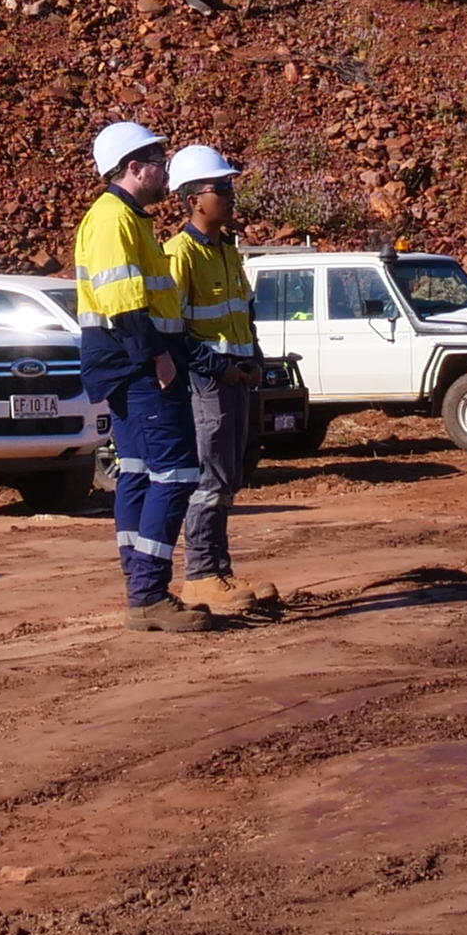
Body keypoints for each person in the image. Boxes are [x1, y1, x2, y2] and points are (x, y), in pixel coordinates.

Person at [68, 120, 206, 633]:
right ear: (134, 167)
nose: (165, 168)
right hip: (138, 364)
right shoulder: (112, 221)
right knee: (175, 473)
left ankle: (141, 587)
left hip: (131, 363)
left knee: (140, 471)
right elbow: (124, 303)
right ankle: (147, 594)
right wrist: (158, 358)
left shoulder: (126, 218)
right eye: (158, 158)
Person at [156, 144, 268, 616]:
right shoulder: (179, 255)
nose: (229, 194)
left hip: (237, 380)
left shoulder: (226, 251)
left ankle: (218, 568)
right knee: (210, 478)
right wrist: (220, 368)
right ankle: (201, 574)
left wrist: (255, 359)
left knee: (229, 477)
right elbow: (175, 331)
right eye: (220, 188)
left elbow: (242, 314)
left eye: (230, 186)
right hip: (209, 385)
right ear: (192, 199)